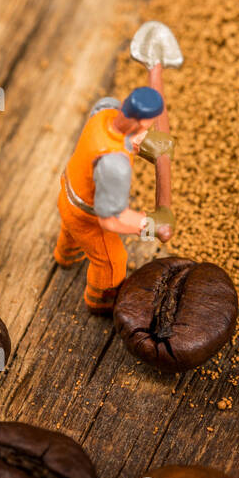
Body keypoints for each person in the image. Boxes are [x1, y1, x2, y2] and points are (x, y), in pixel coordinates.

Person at [54, 87, 174, 313]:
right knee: (112, 260)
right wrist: (150, 224)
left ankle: (65, 256)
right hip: (86, 218)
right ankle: (101, 302)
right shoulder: (114, 165)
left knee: (70, 232)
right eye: (148, 124)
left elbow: (122, 135)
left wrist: (145, 144)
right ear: (142, 122)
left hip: (68, 193)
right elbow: (110, 220)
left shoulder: (105, 108)